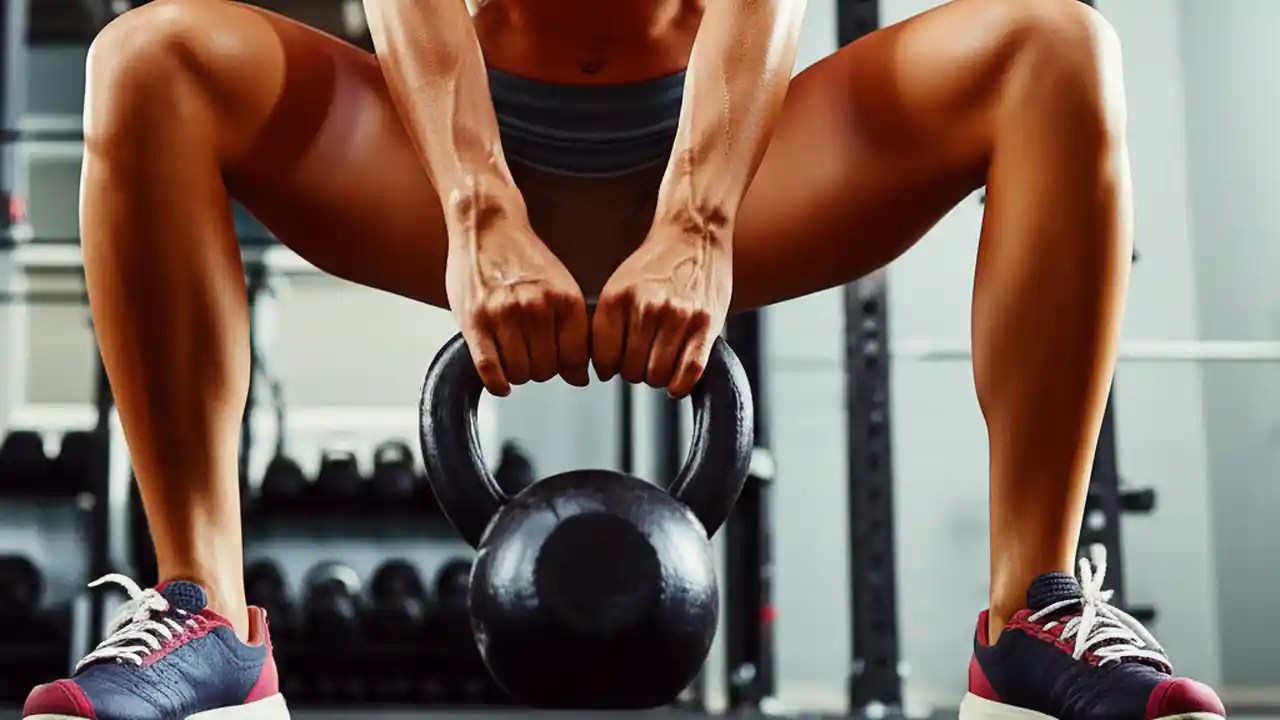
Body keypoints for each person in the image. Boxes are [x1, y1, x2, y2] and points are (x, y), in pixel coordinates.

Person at [21, 0, 1225, 719]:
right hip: (443, 146)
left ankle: (1032, 617)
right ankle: (207, 623)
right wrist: (477, 210)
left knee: (1055, 47)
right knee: (149, 57)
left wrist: (697, 219)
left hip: (737, 157)